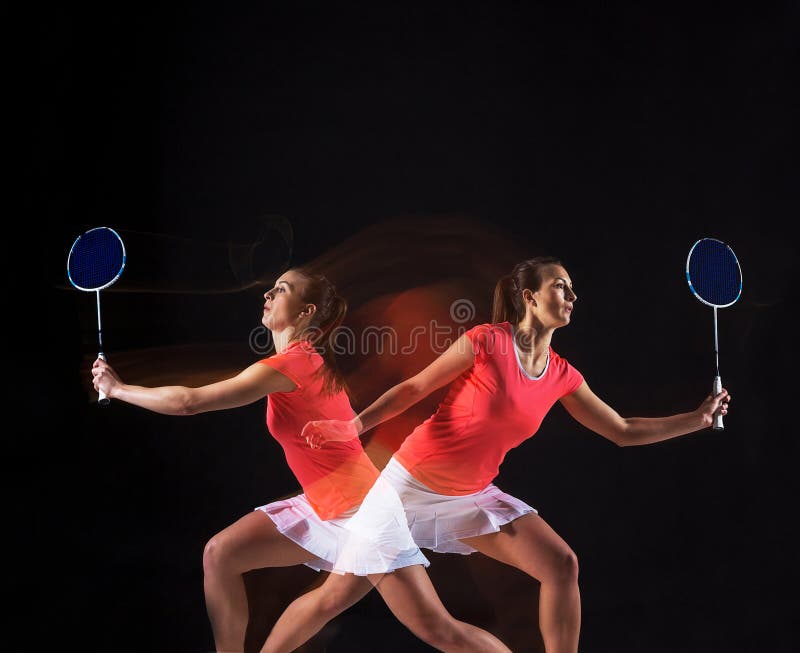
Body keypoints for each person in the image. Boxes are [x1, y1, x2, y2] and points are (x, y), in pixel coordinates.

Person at [302, 256, 732, 653]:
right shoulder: (486, 341)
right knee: (334, 598)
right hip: (406, 487)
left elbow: (621, 430)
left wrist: (695, 419)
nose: (572, 296)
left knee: (561, 564)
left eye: (572, 289)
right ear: (529, 297)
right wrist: (354, 426)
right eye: (561, 287)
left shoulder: (562, 374)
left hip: (471, 494)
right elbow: (416, 387)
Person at [91, 268, 512, 653]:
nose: (269, 293)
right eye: (272, 287)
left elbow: (188, 403)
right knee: (228, 557)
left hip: (365, 513)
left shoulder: (293, 364)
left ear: (307, 311)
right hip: (324, 504)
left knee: (440, 630)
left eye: (282, 289)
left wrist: (119, 388)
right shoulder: (307, 362)